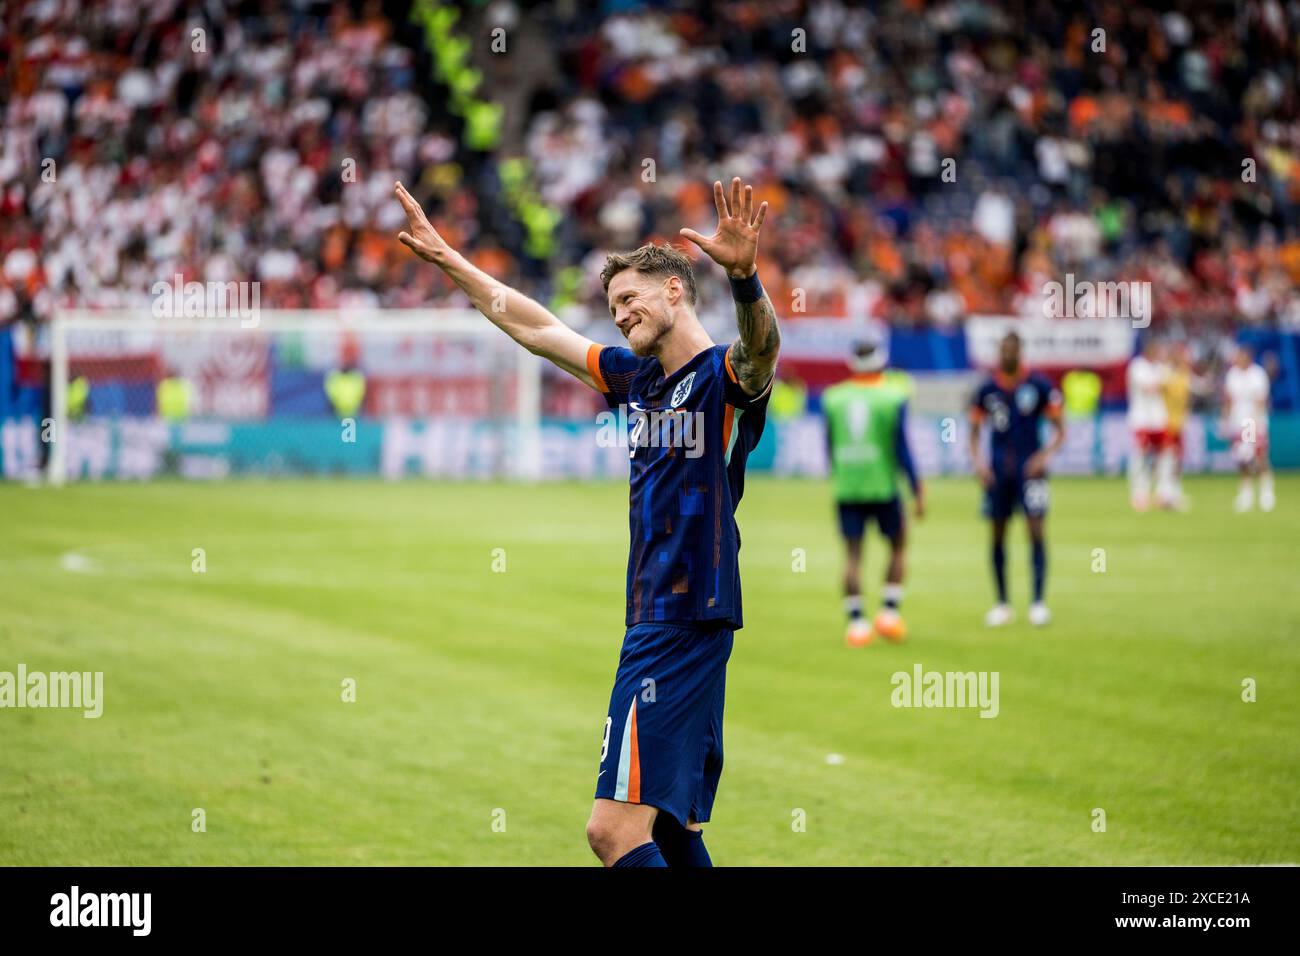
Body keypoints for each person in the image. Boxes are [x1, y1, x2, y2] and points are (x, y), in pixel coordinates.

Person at [396, 177, 779, 867]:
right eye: (612, 306)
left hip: (680, 617)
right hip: (668, 616)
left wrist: (747, 277)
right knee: (669, 829)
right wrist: (449, 260)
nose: (621, 314)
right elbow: (538, 328)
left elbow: (762, 352)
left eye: (630, 299)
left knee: (611, 831)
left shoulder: (723, 377)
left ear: (675, 291)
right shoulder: (638, 379)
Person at [821, 332, 923, 647]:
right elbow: (901, 447)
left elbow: (830, 446)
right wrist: (917, 488)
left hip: (848, 486)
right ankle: (889, 614)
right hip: (883, 485)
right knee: (898, 545)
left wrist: (841, 474)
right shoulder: (894, 396)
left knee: (852, 555)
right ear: (880, 360)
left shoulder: (833, 398)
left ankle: (857, 624)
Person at [968, 331, 1065, 627]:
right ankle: (1002, 603)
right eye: (1003, 349)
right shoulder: (986, 390)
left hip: (1030, 470)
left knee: (1036, 531)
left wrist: (1043, 458)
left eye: (1012, 349)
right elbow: (973, 434)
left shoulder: (1039, 385)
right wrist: (980, 465)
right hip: (998, 472)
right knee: (997, 534)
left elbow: (1060, 430)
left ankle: (1037, 602)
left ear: (1020, 351)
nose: (1007, 354)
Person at [1222, 345, 1275, 513]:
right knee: (1242, 459)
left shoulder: (1257, 375)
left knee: (1259, 457)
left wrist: (1253, 425)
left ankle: (1267, 492)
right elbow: (1229, 400)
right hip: (1238, 422)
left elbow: (1261, 401)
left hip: (1253, 422)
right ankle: (1246, 493)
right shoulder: (1232, 375)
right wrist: (1225, 421)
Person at [1126, 339, 1171, 511]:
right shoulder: (1138, 367)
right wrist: (1164, 381)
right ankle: (1140, 494)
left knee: (1165, 455)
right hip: (1141, 419)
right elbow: (1148, 388)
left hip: (1158, 418)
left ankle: (1163, 493)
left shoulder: (1159, 368)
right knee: (1141, 456)